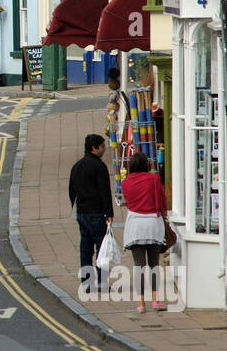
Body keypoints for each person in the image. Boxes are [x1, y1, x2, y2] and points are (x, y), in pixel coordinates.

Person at [121, 152, 168, 312]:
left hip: (135, 225)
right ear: (146, 165)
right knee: (154, 264)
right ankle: (156, 300)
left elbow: (127, 202)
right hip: (153, 224)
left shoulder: (125, 182)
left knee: (138, 266)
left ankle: (141, 303)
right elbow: (162, 200)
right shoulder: (154, 179)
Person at [68, 133, 114, 292]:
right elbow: (105, 192)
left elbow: (71, 189)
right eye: (102, 146)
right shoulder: (99, 167)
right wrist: (109, 213)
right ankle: (101, 282)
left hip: (82, 212)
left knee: (85, 249)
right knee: (102, 249)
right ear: (94, 148)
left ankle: (87, 282)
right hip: (97, 213)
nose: (104, 149)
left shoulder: (76, 166)